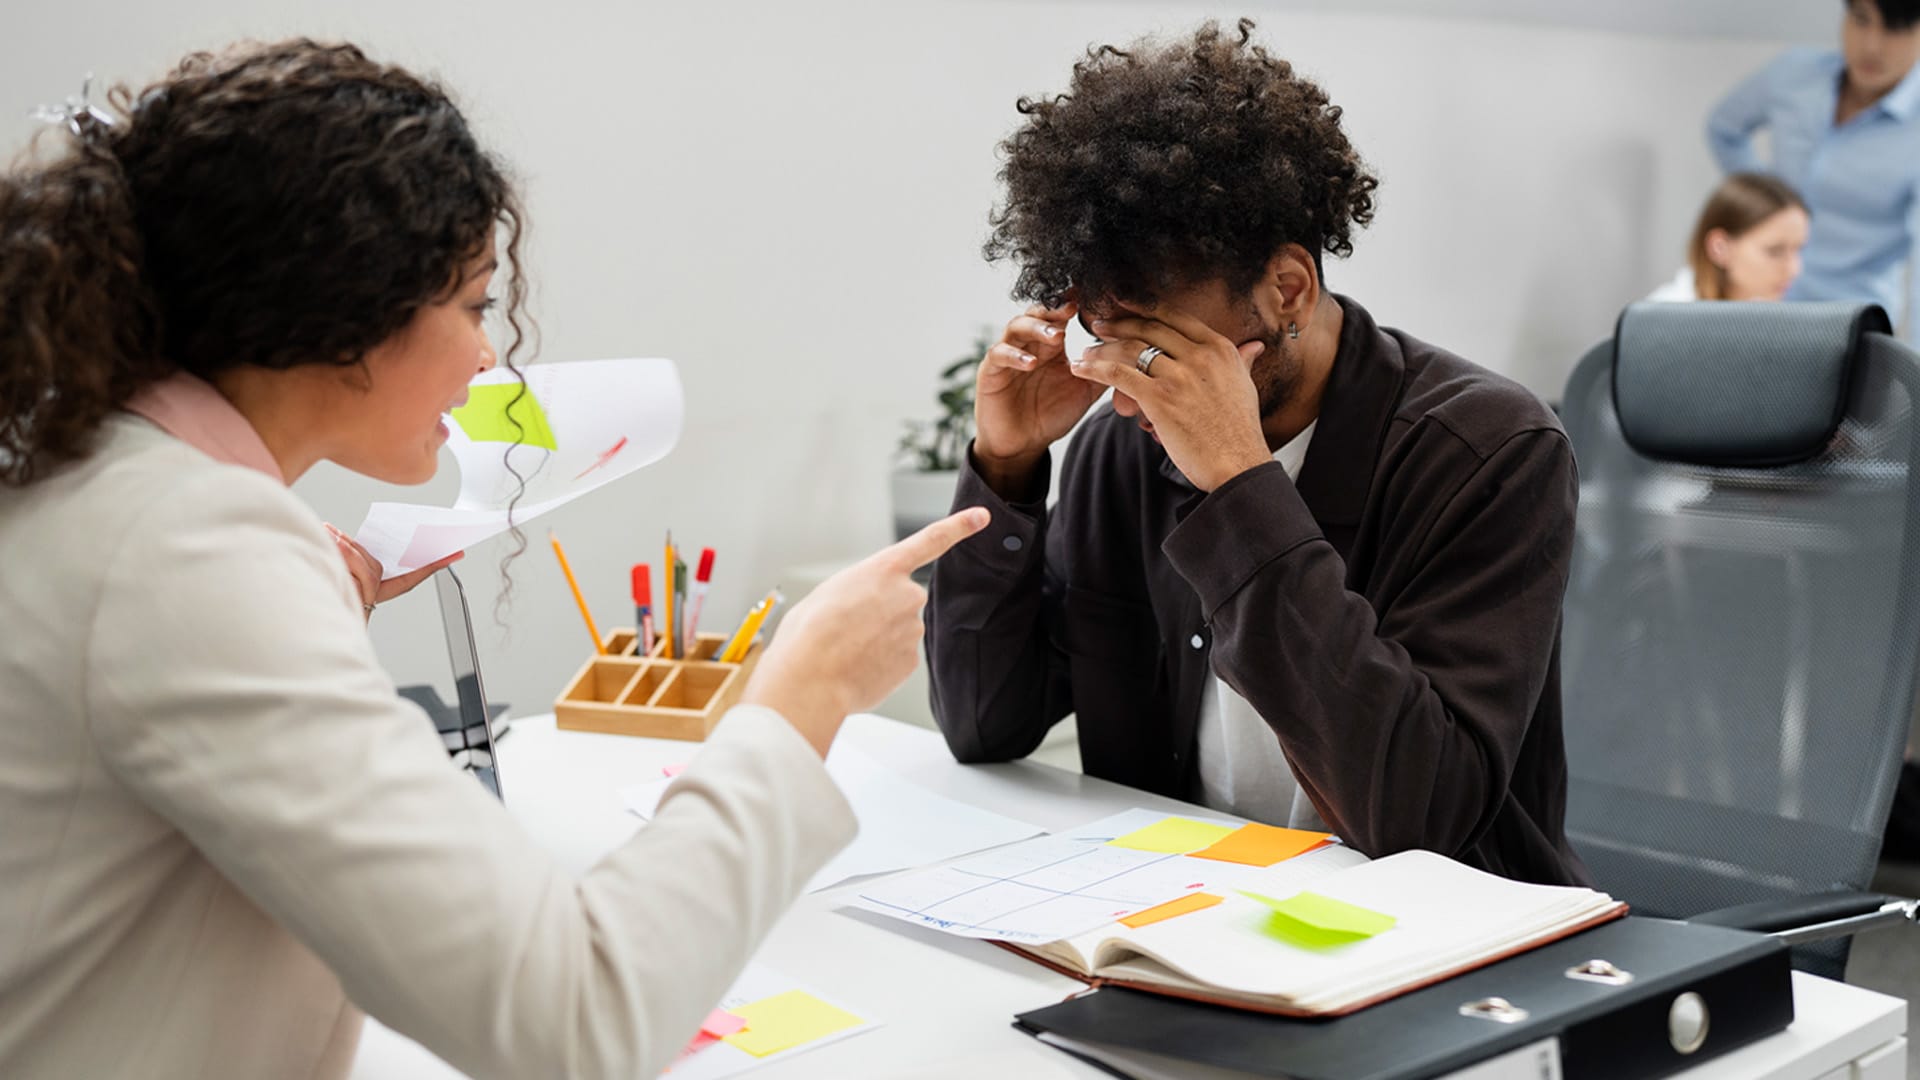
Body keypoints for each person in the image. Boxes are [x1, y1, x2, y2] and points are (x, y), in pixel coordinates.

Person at [0, 41, 986, 1079]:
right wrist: (798, 702)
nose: (489, 360)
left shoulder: (109, 489)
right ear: (346, 305)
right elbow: (572, 1018)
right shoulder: (188, 551)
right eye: (473, 306)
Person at [926, 19, 1588, 887]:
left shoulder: (1488, 451)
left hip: (1433, 950)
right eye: (1112, 343)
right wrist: (1006, 468)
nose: (1130, 395)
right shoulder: (1122, 452)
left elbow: (1421, 818)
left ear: (1287, 289)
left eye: (1164, 350)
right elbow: (984, 726)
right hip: (1192, 921)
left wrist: (1241, 486)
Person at [1707, 0, 1920, 330]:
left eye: (1895, 28)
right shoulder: (1793, 74)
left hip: (1850, 323)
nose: (1871, 45)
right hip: (1760, 302)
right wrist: (1763, 207)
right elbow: (1724, 128)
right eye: (1861, 20)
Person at [1646, 173, 1809, 302]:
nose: (1794, 270)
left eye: (1798, 250)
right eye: (1775, 251)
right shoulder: (1662, 324)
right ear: (1720, 248)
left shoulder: (1771, 321)